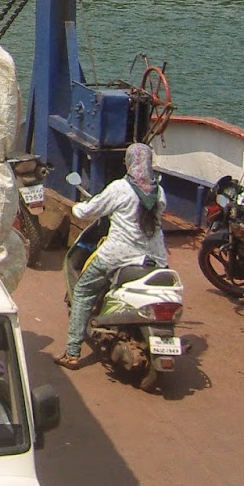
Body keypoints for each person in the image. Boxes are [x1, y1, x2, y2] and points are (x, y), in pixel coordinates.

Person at [57, 141, 168, 369]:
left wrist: (77, 208)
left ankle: (72, 352)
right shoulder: (159, 191)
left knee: (84, 290)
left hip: (119, 255)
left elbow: (89, 211)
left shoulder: (120, 188)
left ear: (128, 162)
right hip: (156, 258)